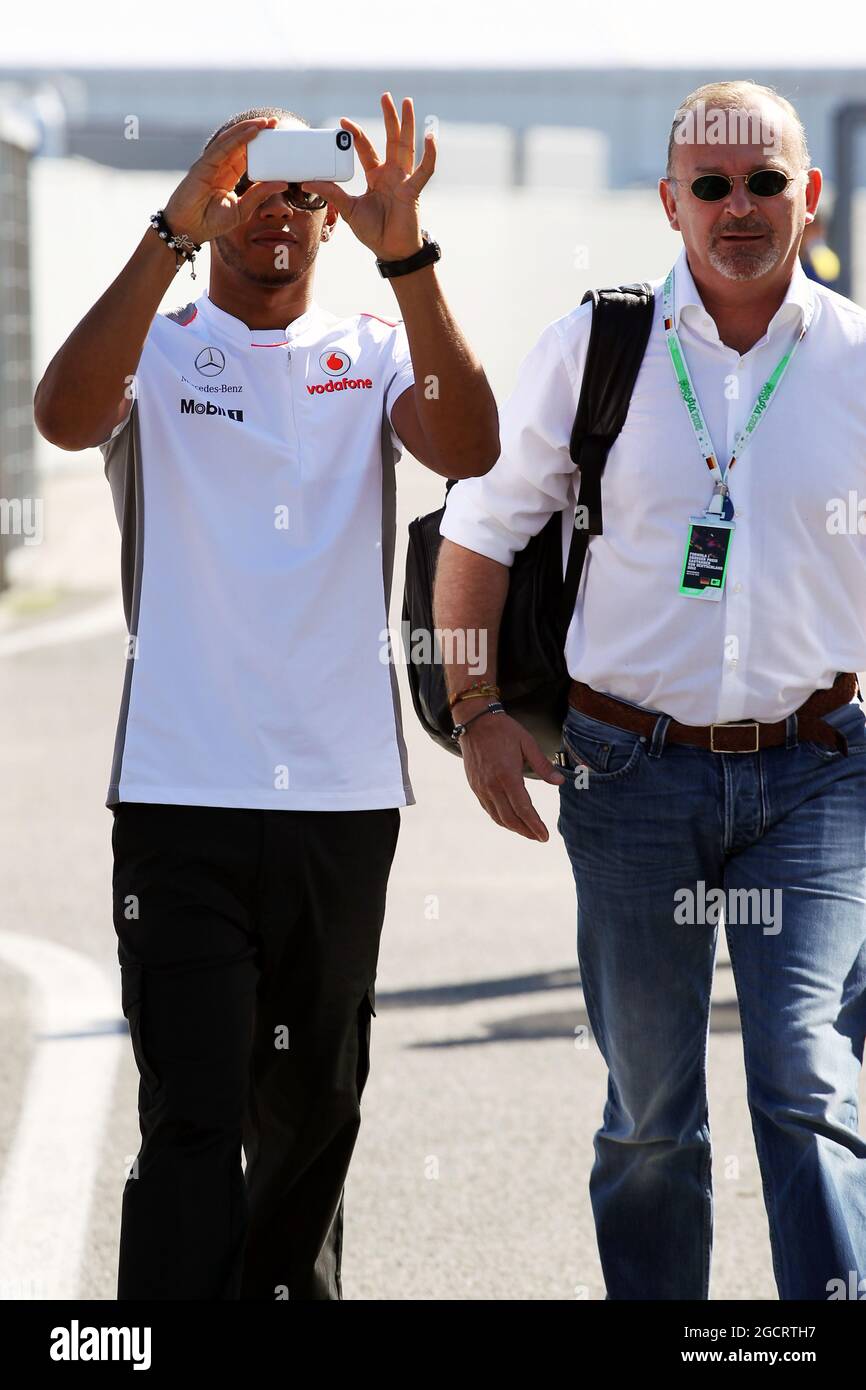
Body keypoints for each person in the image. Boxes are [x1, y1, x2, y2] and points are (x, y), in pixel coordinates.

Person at [34, 95, 498, 1300]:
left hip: (340, 802)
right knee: (191, 1118)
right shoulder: (162, 340)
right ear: (210, 201)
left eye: (299, 190)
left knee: (311, 1121)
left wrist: (406, 251)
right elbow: (64, 413)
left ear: (329, 219)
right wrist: (172, 222)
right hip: (179, 797)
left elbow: (468, 447)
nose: (275, 213)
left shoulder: (373, 348)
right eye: (247, 186)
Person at [433, 79, 866, 1300]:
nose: (739, 207)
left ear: (807, 194)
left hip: (817, 773)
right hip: (626, 777)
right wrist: (473, 712)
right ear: (668, 199)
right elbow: (478, 530)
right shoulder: (595, 345)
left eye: (764, 181)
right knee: (648, 1111)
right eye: (712, 185)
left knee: (805, 1080)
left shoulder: (852, 361)